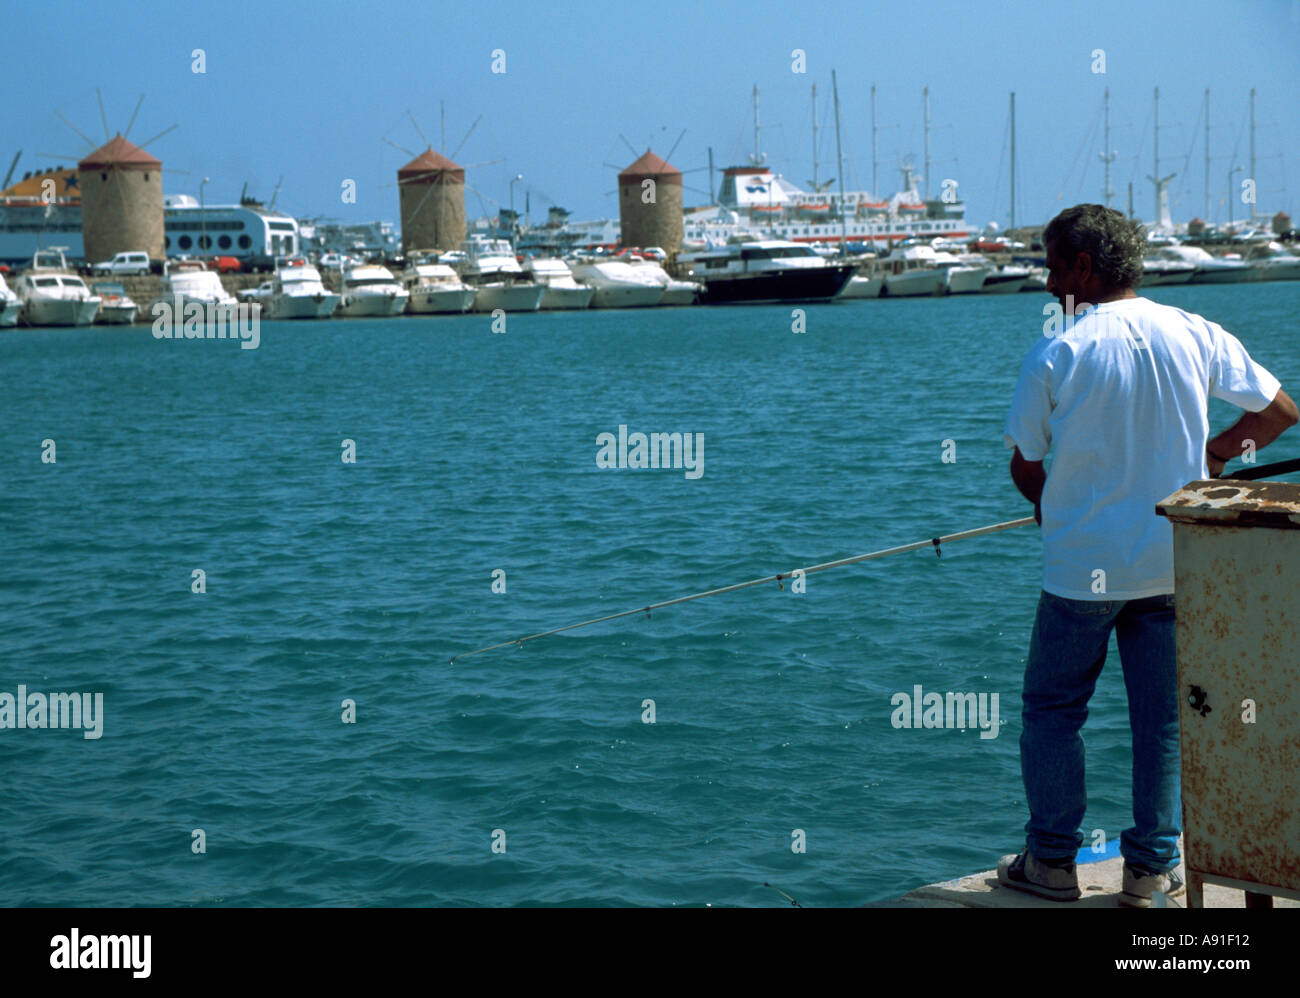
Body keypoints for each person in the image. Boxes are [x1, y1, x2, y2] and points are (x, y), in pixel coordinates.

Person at [997, 203, 1298, 906]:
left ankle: (1049, 864)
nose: (1046, 281)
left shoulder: (1058, 351)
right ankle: (1149, 869)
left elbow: (1025, 462)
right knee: (1162, 719)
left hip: (1078, 573)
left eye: (1050, 264)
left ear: (1080, 266)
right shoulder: (1194, 332)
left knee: (1052, 709)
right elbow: (1282, 412)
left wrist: (1051, 502)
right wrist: (1217, 456)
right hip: (1172, 561)